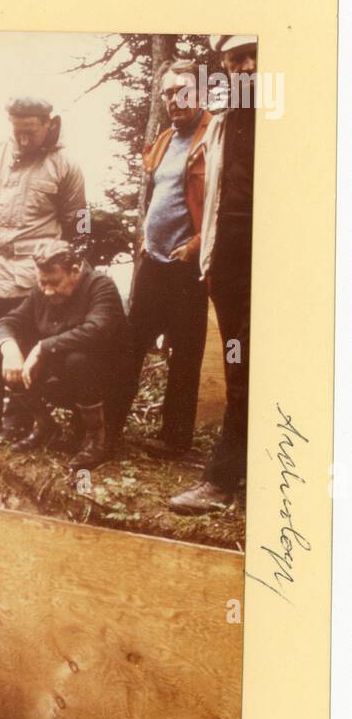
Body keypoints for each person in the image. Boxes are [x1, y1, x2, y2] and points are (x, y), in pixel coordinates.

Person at [0, 95, 87, 438]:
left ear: (48, 124)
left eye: (31, 131)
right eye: (17, 132)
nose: (24, 139)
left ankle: (19, 421)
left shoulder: (65, 165)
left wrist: (65, 267)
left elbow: (79, 221)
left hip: (32, 275)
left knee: (24, 346)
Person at [170, 35, 257, 514]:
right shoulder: (224, 125)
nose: (243, 68)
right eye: (233, 60)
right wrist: (210, 262)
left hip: (278, 267)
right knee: (238, 368)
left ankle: (225, 480)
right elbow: (219, 201)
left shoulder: (297, 115)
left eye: (250, 57)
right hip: (229, 267)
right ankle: (229, 480)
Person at [120, 59, 211, 460]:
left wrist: (196, 244)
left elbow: (223, 206)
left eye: (183, 91)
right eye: (169, 94)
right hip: (153, 260)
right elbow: (158, 197)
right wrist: (144, 237)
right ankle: (109, 425)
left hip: (188, 265)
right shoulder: (164, 139)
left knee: (185, 352)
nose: (176, 100)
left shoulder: (214, 137)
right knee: (130, 343)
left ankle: (174, 441)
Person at [0, 240, 131, 470]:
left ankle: (98, 439)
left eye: (55, 283)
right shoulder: (42, 292)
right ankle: (46, 426)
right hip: (64, 375)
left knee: (78, 359)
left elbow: (97, 330)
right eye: (42, 282)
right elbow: (6, 323)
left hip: (106, 380)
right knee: (9, 353)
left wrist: (43, 348)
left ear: (75, 271)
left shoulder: (101, 286)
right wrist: (9, 349)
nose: (47, 290)